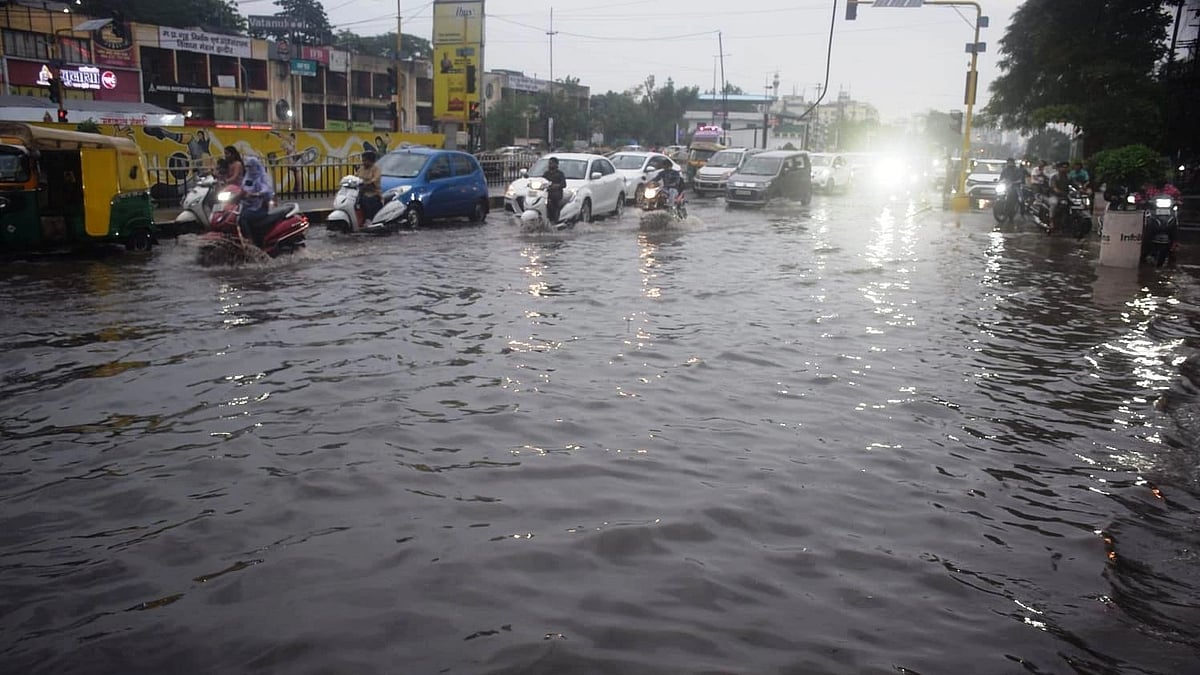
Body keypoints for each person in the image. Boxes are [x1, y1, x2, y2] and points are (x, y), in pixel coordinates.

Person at [238, 156, 274, 245]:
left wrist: (257, 194)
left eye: (250, 166)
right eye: (247, 167)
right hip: (246, 205)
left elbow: (266, 189)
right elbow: (241, 188)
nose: (248, 169)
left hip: (259, 208)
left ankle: (249, 241)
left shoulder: (261, 177)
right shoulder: (247, 177)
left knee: (242, 218)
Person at [355, 150, 383, 221]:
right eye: (363, 160)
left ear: (371, 161)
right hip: (361, 192)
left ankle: (369, 218)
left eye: (365, 160)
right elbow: (355, 177)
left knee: (366, 200)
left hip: (373, 193)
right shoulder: (361, 169)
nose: (363, 162)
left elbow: (375, 179)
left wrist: (368, 182)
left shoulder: (376, 169)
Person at [543, 157, 567, 224]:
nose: (549, 165)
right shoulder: (546, 174)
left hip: (556, 194)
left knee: (554, 204)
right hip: (546, 193)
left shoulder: (560, 174)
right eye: (549, 163)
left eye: (551, 163)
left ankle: (555, 219)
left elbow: (564, 184)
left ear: (556, 164)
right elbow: (542, 181)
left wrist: (556, 186)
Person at [1048, 161, 1072, 230]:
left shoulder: (1069, 177)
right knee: (1054, 203)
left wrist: (1082, 189)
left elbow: (1075, 184)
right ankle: (1051, 221)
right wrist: (1058, 191)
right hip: (1054, 195)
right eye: (1063, 167)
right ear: (1058, 168)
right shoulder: (1054, 177)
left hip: (1065, 195)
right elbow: (1053, 187)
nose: (1065, 169)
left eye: (1066, 167)